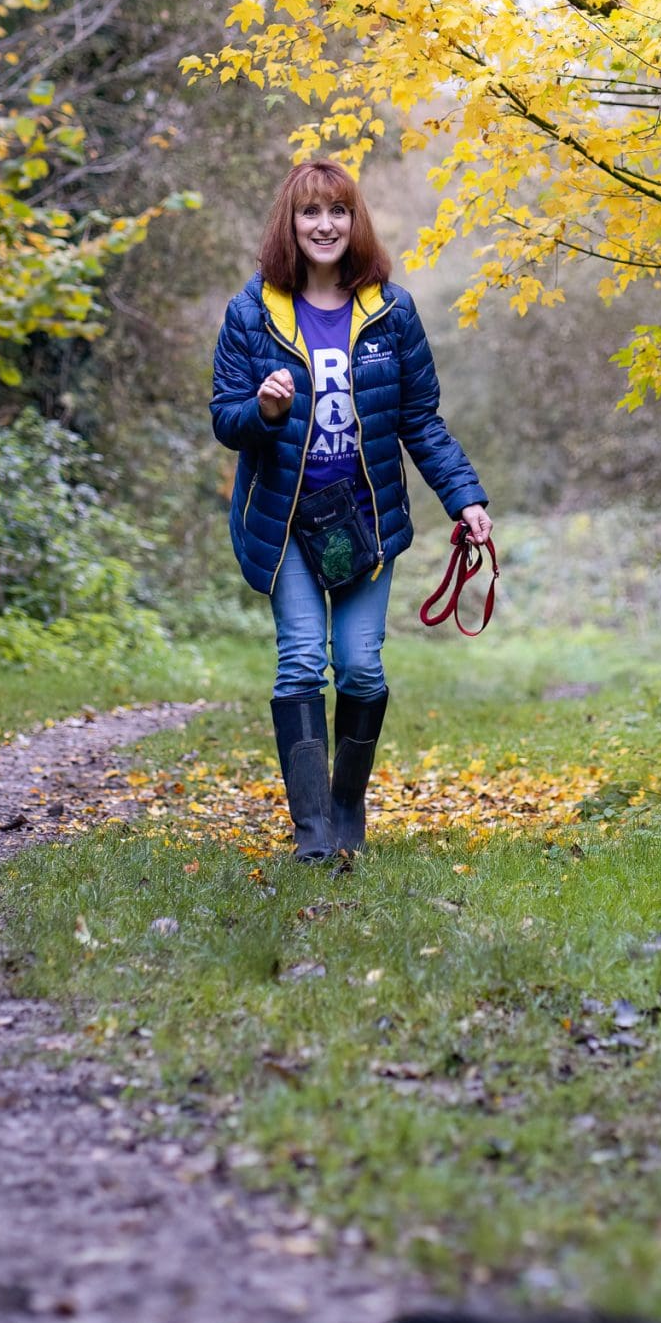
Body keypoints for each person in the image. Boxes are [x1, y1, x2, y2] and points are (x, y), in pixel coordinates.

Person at [210, 159, 492, 860]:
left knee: (360, 667)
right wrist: (265, 409)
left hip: (363, 525)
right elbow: (226, 417)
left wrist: (466, 499)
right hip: (285, 524)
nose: (325, 225)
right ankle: (312, 836)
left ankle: (345, 807)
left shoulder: (391, 313)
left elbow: (420, 419)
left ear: (354, 222)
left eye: (338, 211)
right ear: (291, 223)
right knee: (301, 661)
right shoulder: (252, 312)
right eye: (310, 212)